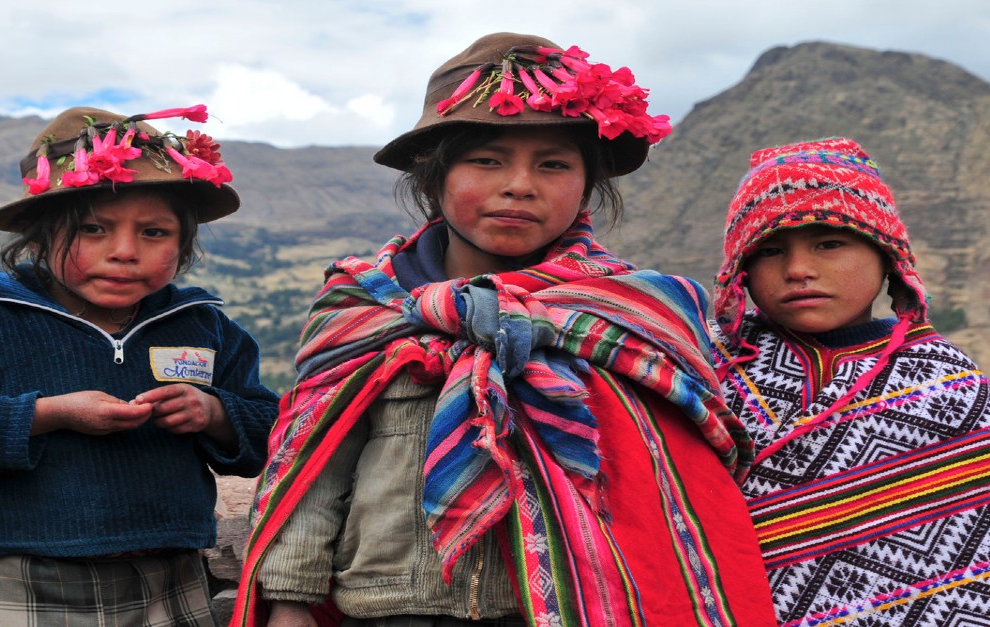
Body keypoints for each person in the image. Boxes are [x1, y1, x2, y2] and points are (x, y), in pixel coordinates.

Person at [232, 32, 776, 627]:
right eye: (487, 160)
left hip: (566, 608)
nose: (520, 184)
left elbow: (672, 485)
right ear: (432, 176)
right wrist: (288, 599)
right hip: (390, 608)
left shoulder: (635, 312)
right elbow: (312, 462)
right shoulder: (363, 310)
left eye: (554, 165)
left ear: (588, 186)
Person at [0, 105, 280, 627]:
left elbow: (273, 430)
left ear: (183, 246)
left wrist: (214, 412)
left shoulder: (202, 325)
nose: (125, 251)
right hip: (20, 573)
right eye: (93, 229)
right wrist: (50, 414)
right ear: (40, 238)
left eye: (155, 233)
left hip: (169, 576)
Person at [710, 137, 990, 626]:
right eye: (769, 250)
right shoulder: (703, 371)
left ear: (886, 257)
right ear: (741, 273)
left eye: (829, 243)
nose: (798, 269)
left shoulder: (950, 386)